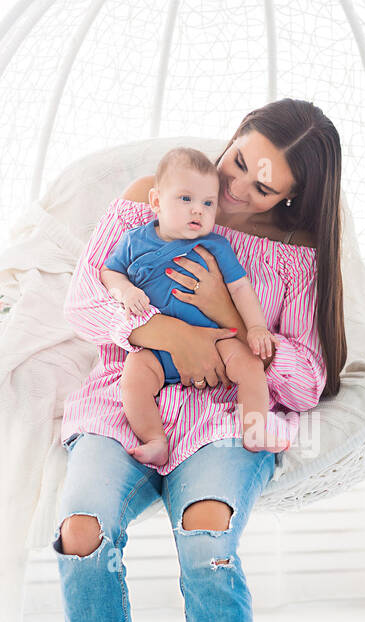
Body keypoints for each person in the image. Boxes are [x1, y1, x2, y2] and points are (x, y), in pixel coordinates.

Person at [55, 98, 347, 622]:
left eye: (263, 184)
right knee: (82, 531)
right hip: (126, 400)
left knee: (208, 545)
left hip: (224, 422)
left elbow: (308, 380)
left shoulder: (295, 256)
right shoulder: (150, 203)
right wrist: (161, 332)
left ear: (291, 197)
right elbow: (86, 296)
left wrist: (229, 314)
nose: (238, 185)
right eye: (239, 158)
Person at [100, 146, 290, 465]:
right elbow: (109, 272)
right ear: (157, 201)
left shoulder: (215, 245)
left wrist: (256, 327)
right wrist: (124, 291)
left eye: (207, 203)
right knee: (132, 381)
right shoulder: (135, 240)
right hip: (154, 351)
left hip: (214, 341)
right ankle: (155, 440)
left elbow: (241, 287)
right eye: (186, 199)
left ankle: (254, 429)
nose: (198, 210)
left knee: (250, 365)